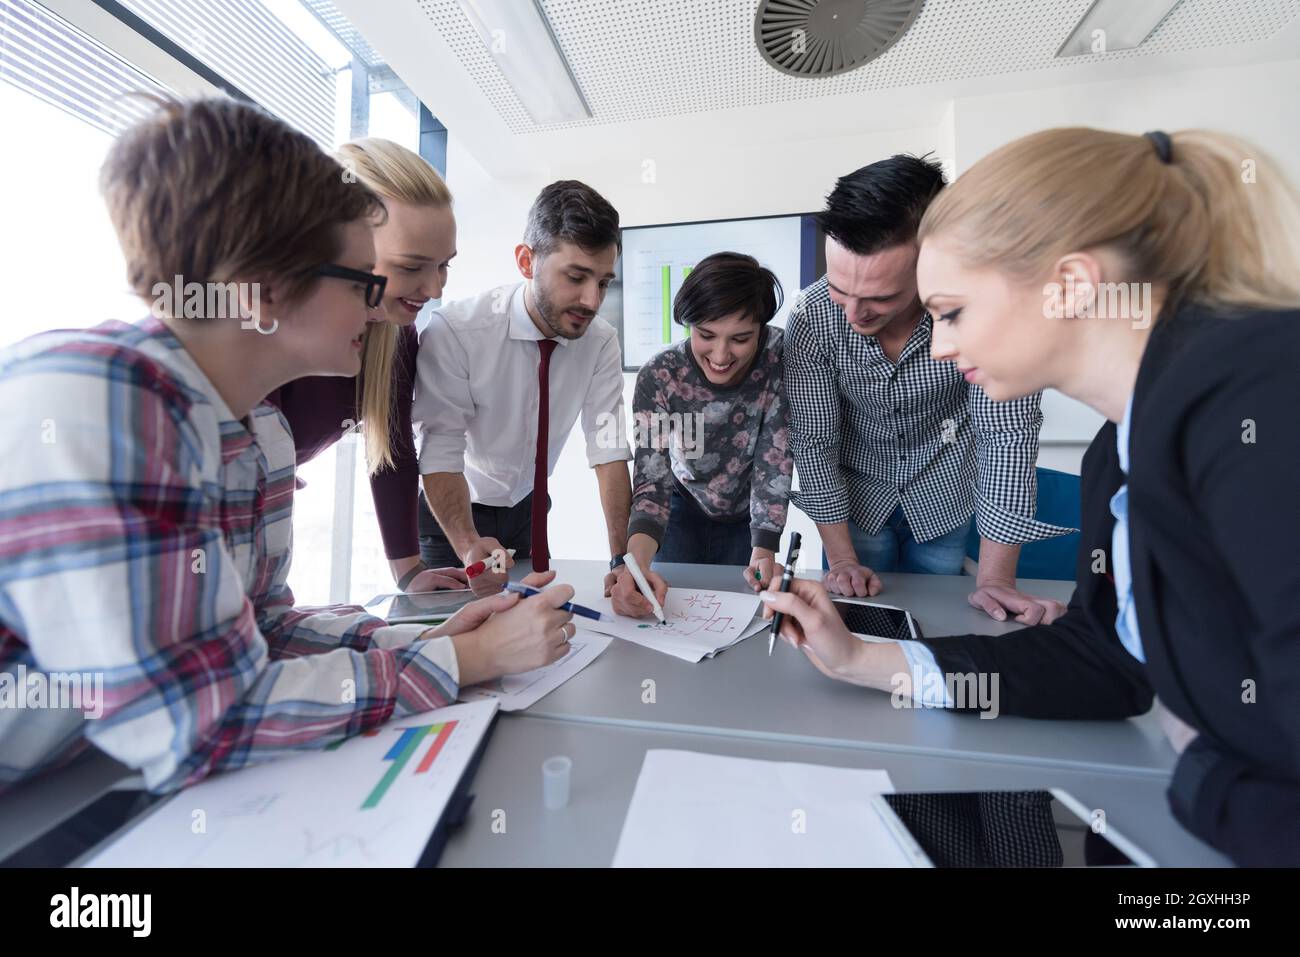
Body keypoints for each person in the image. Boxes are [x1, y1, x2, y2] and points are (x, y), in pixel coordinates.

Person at [0, 97, 576, 795]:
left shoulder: (258, 433)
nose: (380, 306)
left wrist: (435, 640)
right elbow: (203, 721)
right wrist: (462, 662)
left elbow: (260, 627)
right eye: (366, 281)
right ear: (264, 292)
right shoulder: (95, 402)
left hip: (70, 778)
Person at [758, 127, 1300, 866]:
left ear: (1072, 284)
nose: (940, 347)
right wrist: (860, 659)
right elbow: (1104, 661)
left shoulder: (1262, 394)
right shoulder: (1122, 449)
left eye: (950, 312)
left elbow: (1007, 445)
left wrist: (1202, 775)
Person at [786, 155, 1069, 626]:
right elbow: (815, 442)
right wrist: (840, 560)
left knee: (941, 621)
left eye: (880, 298)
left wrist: (996, 580)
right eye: (839, 289)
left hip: (945, 492)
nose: (853, 315)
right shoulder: (812, 318)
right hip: (854, 501)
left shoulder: (988, 313)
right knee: (861, 620)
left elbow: (1006, 439)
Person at [414, 180, 633, 597]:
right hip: (454, 510)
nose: (592, 300)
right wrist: (467, 545)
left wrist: (620, 561)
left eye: (604, 282)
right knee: (458, 640)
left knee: (527, 626)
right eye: (576, 277)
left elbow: (608, 450)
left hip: (528, 508)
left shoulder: (600, 340)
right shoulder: (457, 331)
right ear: (526, 261)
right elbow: (441, 450)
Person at [267, 137, 465, 593]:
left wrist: (409, 572)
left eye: (444, 266)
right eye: (412, 266)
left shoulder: (395, 335)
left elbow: (391, 451)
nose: (435, 289)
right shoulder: (260, 332)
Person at [610, 252, 792, 618]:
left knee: (743, 616)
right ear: (688, 323)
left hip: (750, 515)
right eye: (706, 335)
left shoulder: (781, 359)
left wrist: (765, 547)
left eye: (741, 338)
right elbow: (651, 479)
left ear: (762, 328)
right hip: (678, 508)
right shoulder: (660, 375)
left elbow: (774, 461)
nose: (721, 354)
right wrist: (635, 564)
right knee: (673, 612)